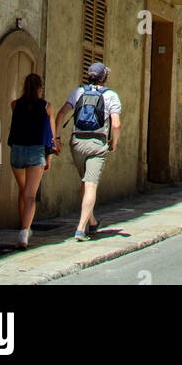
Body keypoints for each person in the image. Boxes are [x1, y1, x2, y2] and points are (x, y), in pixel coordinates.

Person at [55, 62, 121, 241]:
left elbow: (61, 114)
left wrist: (57, 138)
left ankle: (92, 221)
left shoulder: (78, 92)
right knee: (91, 185)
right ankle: (80, 228)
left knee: (85, 182)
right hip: (97, 144)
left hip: (77, 142)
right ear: (104, 77)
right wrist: (114, 142)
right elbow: (116, 124)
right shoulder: (111, 96)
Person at [8, 73, 58, 249]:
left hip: (17, 151)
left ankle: (24, 227)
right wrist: (49, 157)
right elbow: (51, 135)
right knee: (30, 196)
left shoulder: (15, 105)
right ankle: (24, 233)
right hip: (36, 152)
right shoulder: (47, 107)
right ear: (40, 87)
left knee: (23, 191)